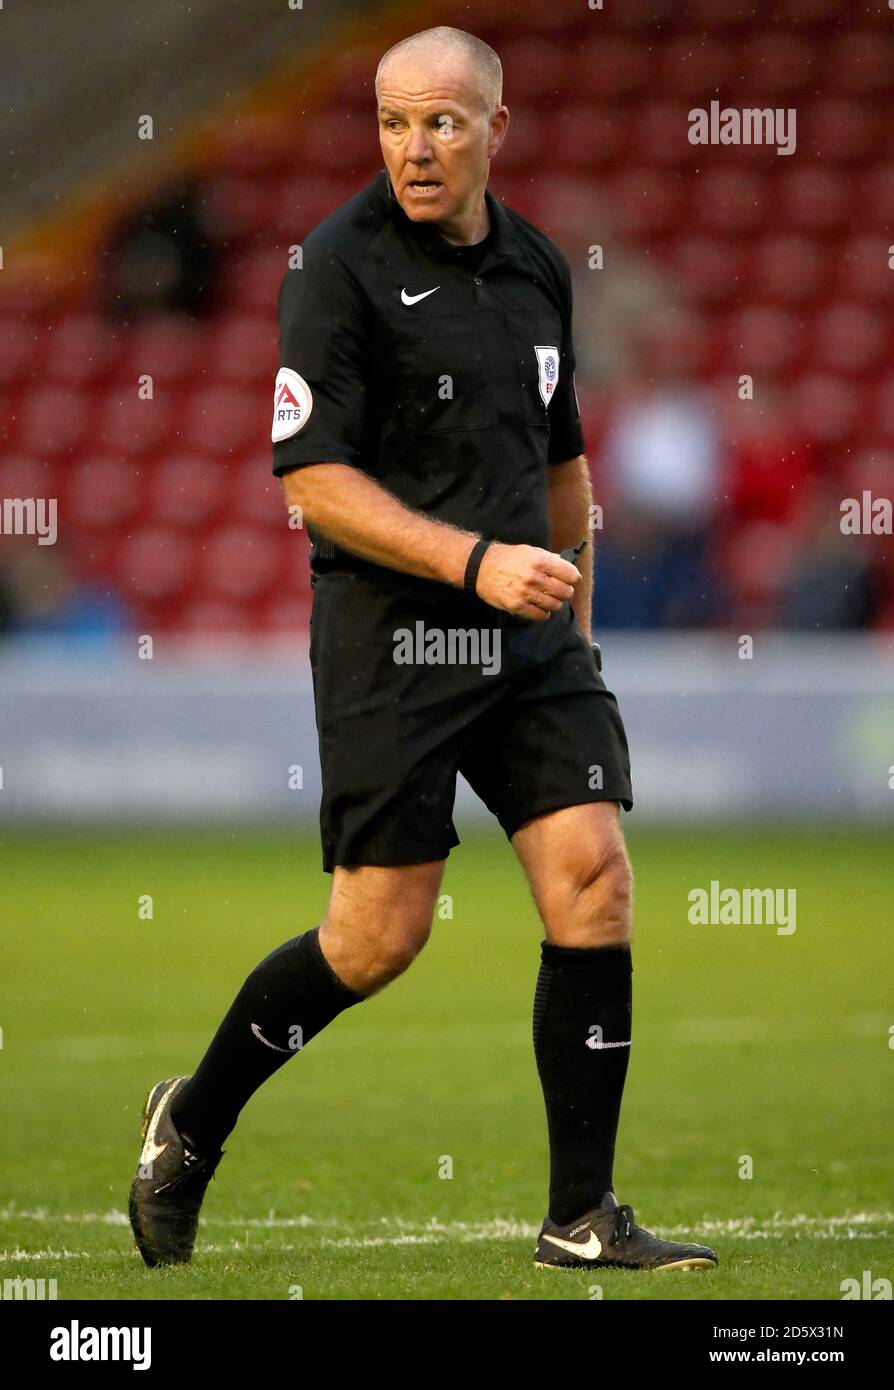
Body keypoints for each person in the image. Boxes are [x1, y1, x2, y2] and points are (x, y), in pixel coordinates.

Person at [128, 25, 717, 1276]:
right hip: (394, 639)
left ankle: (582, 1213)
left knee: (594, 876)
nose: (416, 147)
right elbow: (311, 482)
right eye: (394, 122)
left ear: (497, 131)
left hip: (530, 641)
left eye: (443, 121)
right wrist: (471, 564)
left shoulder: (539, 267)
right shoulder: (337, 267)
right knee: (377, 937)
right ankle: (194, 1116)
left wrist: (581, 644)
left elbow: (565, 471)